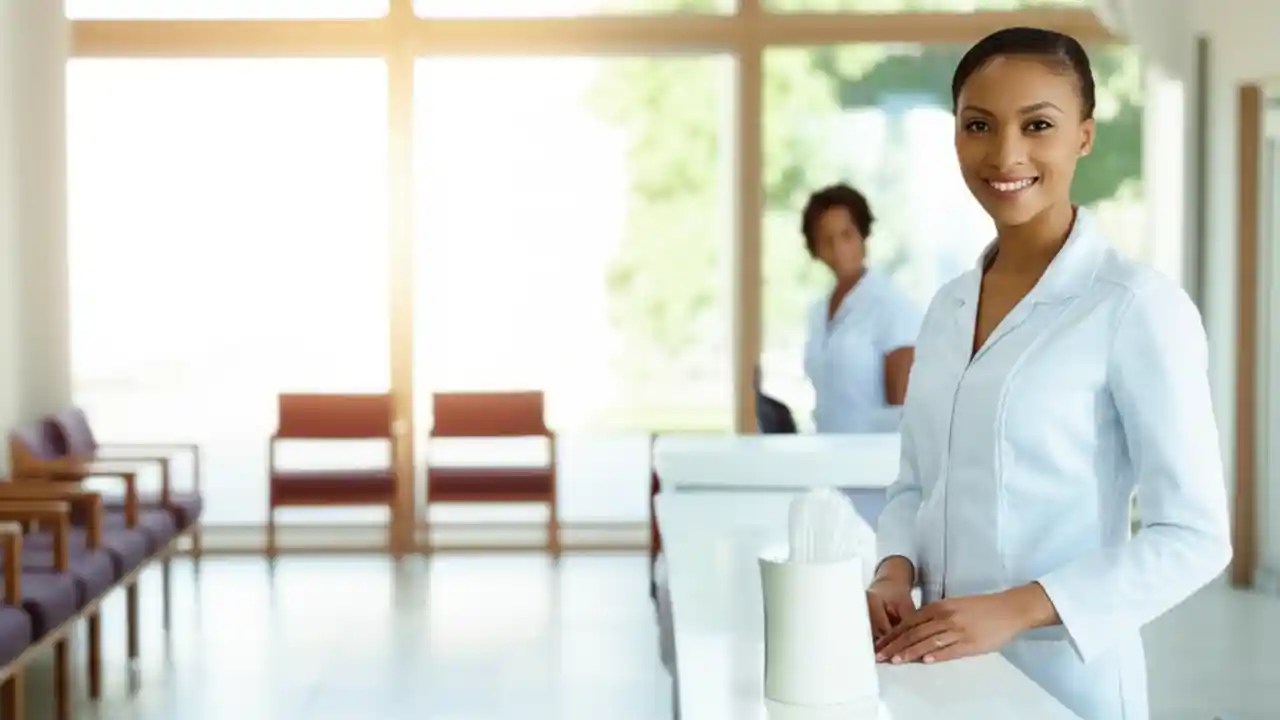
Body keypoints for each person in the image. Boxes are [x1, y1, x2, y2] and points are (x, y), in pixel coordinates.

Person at [865, 27, 1232, 720]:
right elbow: (916, 483)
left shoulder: (1134, 307)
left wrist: (1017, 609)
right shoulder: (947, 307)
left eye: (1038, 125)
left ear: (1084, 137)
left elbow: (1194, 536)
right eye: (979, 125)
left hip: (1067, 682)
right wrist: (894, 569)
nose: (1006, 154)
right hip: (934, 673)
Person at [801, 183, 921, 433]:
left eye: (846, 235)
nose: (837, 248)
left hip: (871, 458)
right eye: (826, 239)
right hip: (824, 453)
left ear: (863, 237)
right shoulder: (817, 312)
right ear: (814, 247)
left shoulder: (891, 306)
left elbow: (904, 411)